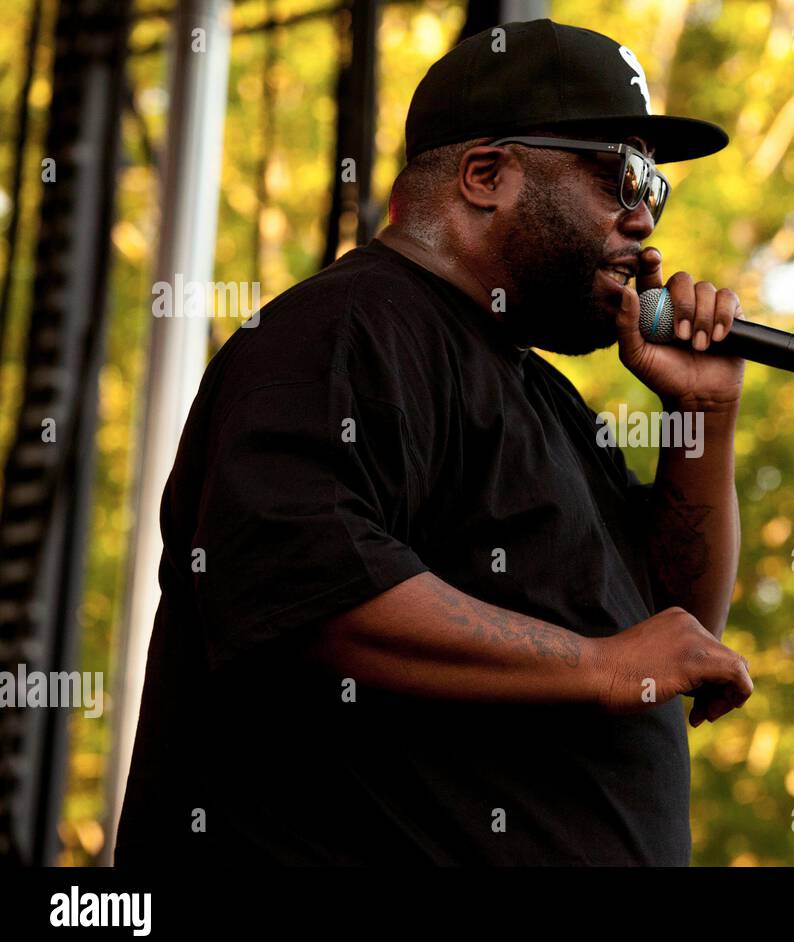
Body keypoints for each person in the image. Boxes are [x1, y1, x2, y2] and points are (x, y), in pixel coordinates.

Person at [115, 18, 752, 866]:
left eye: (655, 190)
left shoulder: (541, 395)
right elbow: (309, 587)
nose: (642, 220)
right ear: (486, 175)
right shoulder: (348, 327)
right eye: (621, 176)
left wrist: (702, 423)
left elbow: (681, 625)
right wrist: (598, 666)